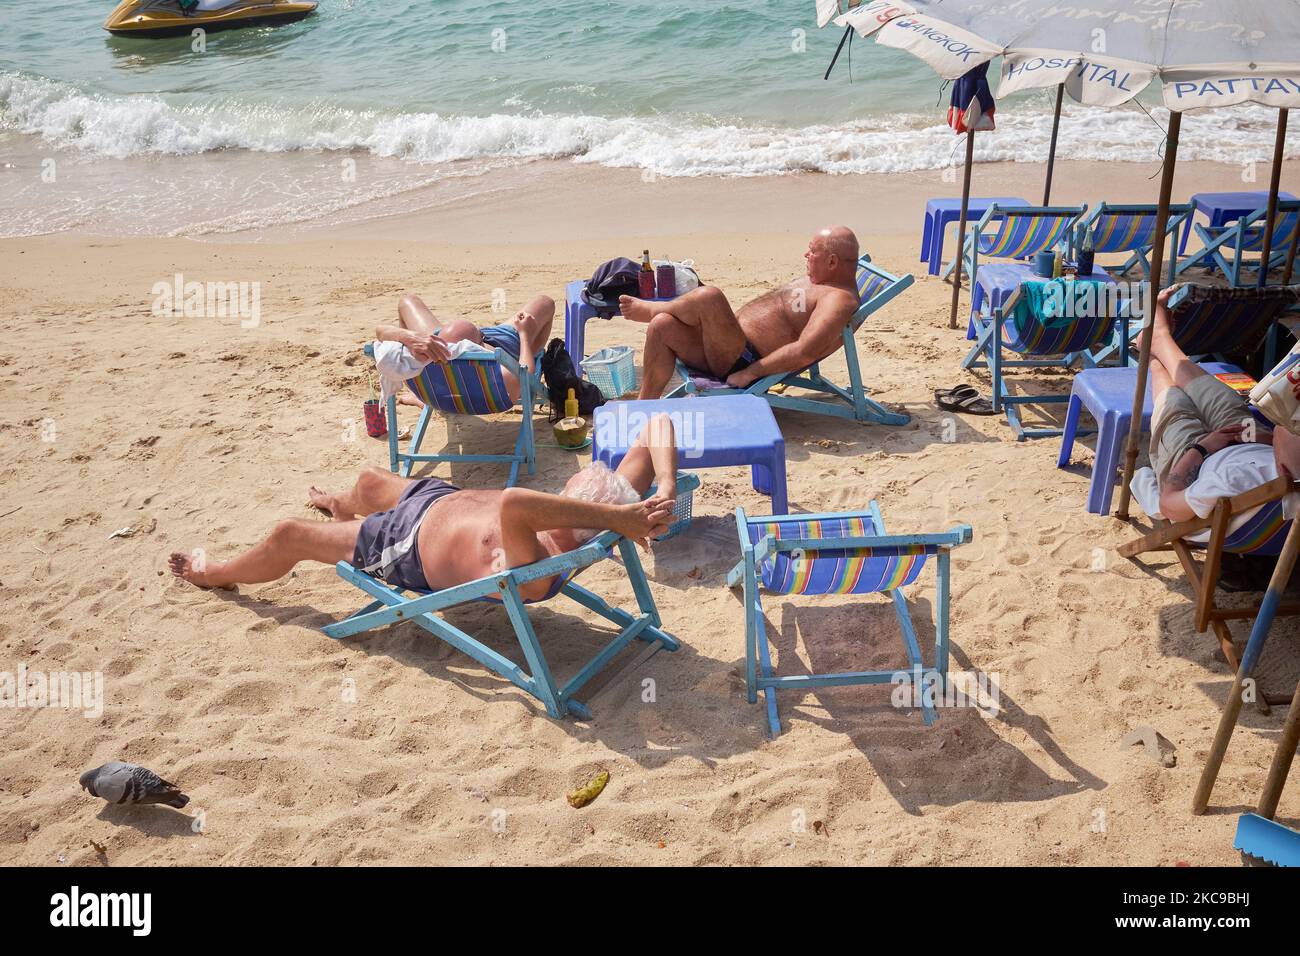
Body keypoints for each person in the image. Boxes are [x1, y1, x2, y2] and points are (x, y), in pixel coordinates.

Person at [169, 416, 679, 602]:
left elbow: (517, 503)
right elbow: (658, 424)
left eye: (577, 499)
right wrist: (667, 487)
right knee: (368, 480)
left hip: (406, 544)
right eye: (575, 487)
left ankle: (216, 573)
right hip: (443, 501)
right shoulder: (601, 508)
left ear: (588, 527)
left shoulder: (533, 569)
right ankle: (339, 506)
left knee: (288, 534)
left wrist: (619, 520)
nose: (571, 492)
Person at [619, 226, 862, 400]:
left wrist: (750, 374)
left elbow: (805, 350)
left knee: (709, 297)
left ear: (832, 262)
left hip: (744, 360)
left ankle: (651, 308)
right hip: (725, 347)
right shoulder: (822, 281)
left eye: (812, 251)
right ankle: (645, 405)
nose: (806, 255)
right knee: (661, 326)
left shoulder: (838, 299)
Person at [1137, 286, 1300, 529]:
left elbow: (1168, 504)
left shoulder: (1233, 482)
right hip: (1245, 442)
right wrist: (1265, 439)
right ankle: (1161, 342)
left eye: (1281, 427)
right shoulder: (1288, 465)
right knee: (1219, 397)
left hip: (1198, 458)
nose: (1277, 427)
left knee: (1175, 409)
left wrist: (1202, 448)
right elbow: (1287, 448)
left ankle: (1153, 356)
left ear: (1283, 468)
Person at [375, 292, 555, 404]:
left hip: (438, 357)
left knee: (407, 300)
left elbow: (380, 331)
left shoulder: (416, 358)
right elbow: (526, 377)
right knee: (545, 302)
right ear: (481, 345)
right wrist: (525, 336)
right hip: (496, 345)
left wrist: (411, 337)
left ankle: (417, 395)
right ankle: (523, 348)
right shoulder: (500, 373)